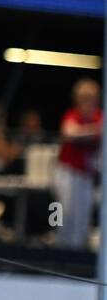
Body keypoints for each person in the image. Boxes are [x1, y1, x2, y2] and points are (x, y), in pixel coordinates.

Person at [53, 78, 102, 249]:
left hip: (87, 174)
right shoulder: (72, 115)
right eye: (83, 98)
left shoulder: (99, 116)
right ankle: (59, 244)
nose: (87, 102)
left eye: (91, 98)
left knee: (83, 213)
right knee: (62, 209)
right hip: (66, 171)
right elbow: (69, 132)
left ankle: (77, 249)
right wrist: (96, 130)